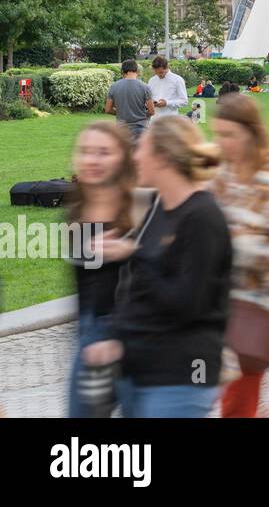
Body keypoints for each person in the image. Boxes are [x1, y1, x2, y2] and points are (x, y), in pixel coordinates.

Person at [80, 116, 232, 417]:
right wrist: (116, 341)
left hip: (182, 379)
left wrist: (133, 253)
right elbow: (143, 293)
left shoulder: (202, 217)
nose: (135, 156)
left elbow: (186, 303)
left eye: (142, 149)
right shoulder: (159, 209)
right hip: (146, 373)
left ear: (162, 156)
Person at [210, 94, 269, 418]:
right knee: (238, 403)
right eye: (218, 134)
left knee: (237, 405)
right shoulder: (219, 174)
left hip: (253, 307)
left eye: (229, 135)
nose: (222, 143)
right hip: (214, 306)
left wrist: (222, 246)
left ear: (251, 132)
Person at [66, 122, 136, 417]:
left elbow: (167, 274)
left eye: (103, 152)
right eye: (86, 152)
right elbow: (89, 286)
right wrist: (88, 336)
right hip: (93, 335)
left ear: (122, 158)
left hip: (140, 337)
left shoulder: (141, 207)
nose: (92, 160)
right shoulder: (78, 213)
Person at [105, 59, 155, 140]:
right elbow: (152, 111)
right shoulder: (145, 87)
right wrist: (141, 114)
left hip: (121, 129)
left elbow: (107, 109)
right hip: (140, 129)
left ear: (123, 71)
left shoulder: (114, 86)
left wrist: (121, 113)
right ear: (137, 71)